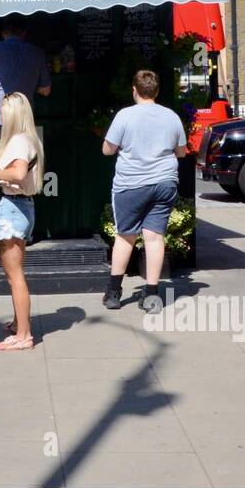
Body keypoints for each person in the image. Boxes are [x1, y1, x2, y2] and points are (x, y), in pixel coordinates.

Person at [102, 70, 188, 314]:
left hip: (131, 184)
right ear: (157, 91)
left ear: (134, 90)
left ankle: (114, 293)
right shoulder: (171, 116)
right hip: (165, 183)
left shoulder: (125, 116)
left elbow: (107, 150)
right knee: (154, 238)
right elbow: (181, 152)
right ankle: (152, 296)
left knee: (125, 236)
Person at [0, 92, 44, 352]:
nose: (0, 115)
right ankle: (19, 323)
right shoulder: (28, 139)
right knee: (13, 273)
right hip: (19, 207)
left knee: (15, 276)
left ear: (14, 113)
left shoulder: (18, 141)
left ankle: (24, 335)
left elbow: (18, 173)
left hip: (12, 209)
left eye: (4, 111)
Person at [0, 16, 51, 169]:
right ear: (24, 33)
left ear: (3, 33)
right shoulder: (37, 53)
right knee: (21, 168)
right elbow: (45, 90)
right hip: (23, 121)